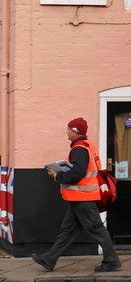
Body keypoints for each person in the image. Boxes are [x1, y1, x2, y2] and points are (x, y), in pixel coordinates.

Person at [31, 117, 120, 273]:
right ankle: (49, 259)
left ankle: (111, 260)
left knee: (96, 229)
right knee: (68, 231)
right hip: (79, 198)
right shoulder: (87, 145)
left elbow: (77, 173)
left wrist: (57, 175)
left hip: (83, 198)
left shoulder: (78, 149)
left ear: (75, 131)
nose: (66, 132)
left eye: (68, 129)